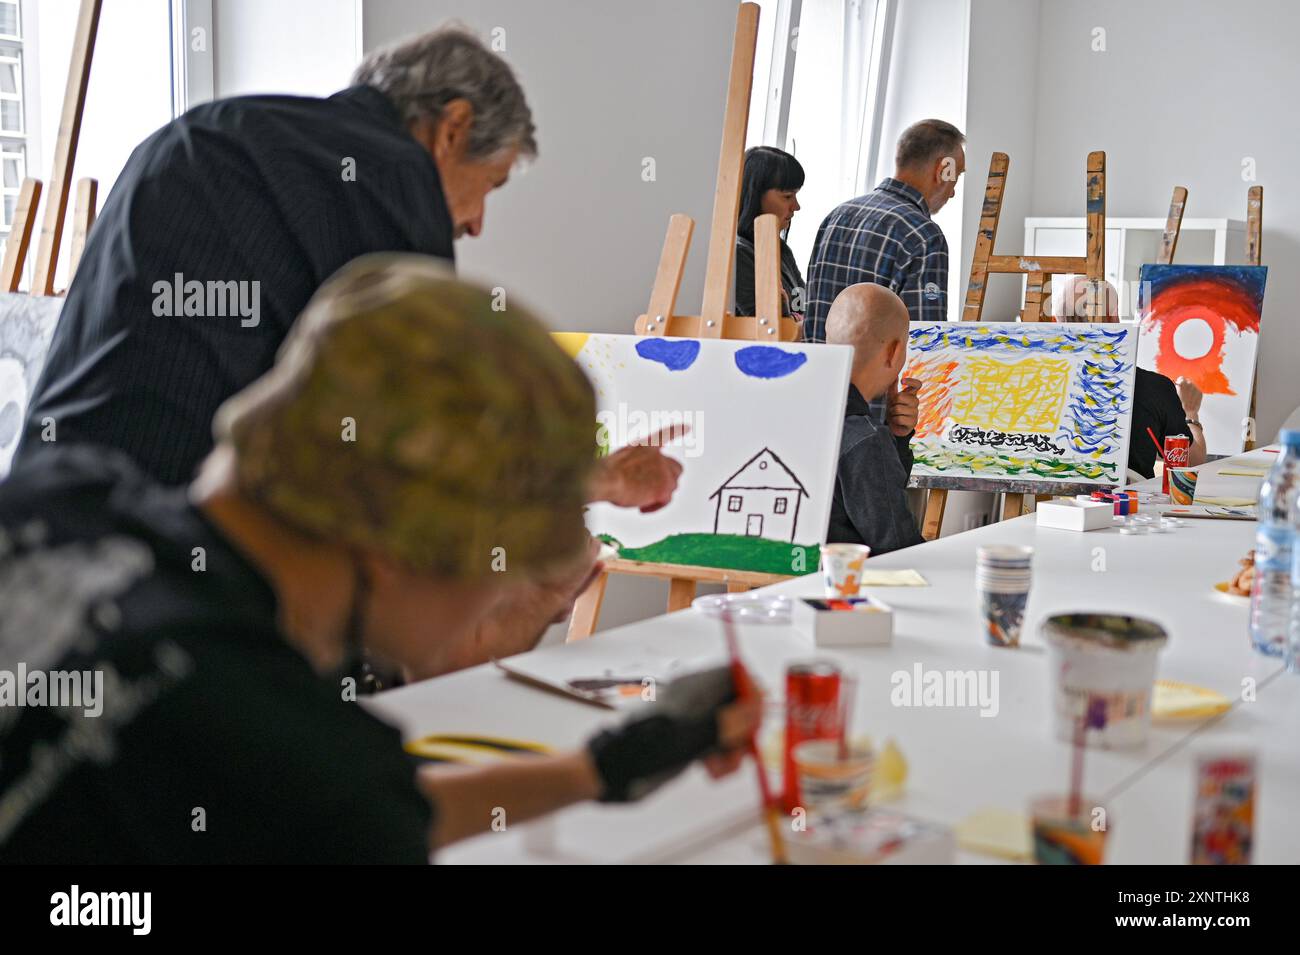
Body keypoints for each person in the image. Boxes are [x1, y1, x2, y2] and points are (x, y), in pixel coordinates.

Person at [0, 256, 760, 864]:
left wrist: (602, 767)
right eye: (502, 570)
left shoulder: (68, 490)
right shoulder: (285, 749)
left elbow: (376, 805)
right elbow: (346, 806)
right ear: (406, 550)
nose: (514, 596)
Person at [803, 119, 965, 345]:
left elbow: (813, 313)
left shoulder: (836, 216)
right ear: (942, 170)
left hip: (822, 374)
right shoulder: (924, 236)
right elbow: (925, 338)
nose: (953, 191)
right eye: (956, 175)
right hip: (878, 380)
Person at [1046, 275, 1206, 479]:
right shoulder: (1153, 388)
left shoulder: (1037, 385)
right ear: (1115, 320)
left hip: (1055, 506)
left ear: (1054, 322)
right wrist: (1191, 413)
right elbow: (1191, 465)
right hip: (1126, 507)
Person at [823, 284, 924, 554]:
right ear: (894, 352)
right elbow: (901, 550)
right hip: (845, 590)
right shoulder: (864, 439)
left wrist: (897, 439)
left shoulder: (794, 409)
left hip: (774, 589)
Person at [734, 146, 806, 320]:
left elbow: (803, 306)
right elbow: (771, 325)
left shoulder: (781, 249)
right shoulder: (738, 253)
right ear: (754, 196)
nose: (796, 206)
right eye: (788, 196)